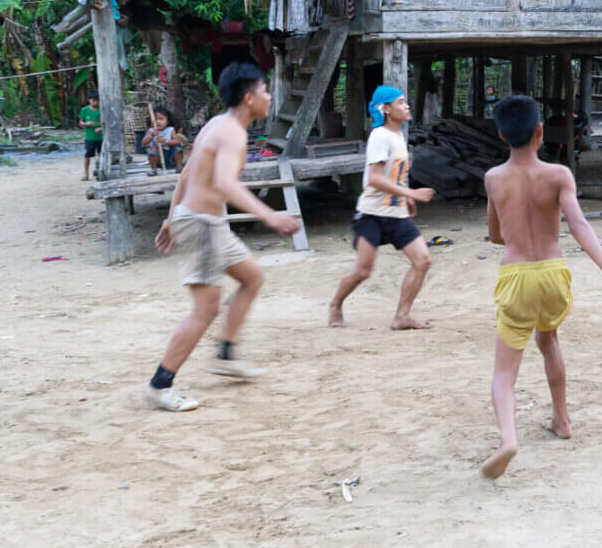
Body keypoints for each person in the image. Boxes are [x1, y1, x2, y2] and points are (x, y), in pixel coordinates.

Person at [480, 94, 602, 479]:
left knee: (504, 373)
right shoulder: (559, 175)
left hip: (516, 274)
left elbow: (495, 234)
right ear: (539, 131)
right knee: (548, 340)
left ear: (501, 135)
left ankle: (508, 440)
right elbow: (579, 225)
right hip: (553, 274)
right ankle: (562, 419)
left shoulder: (493, 178)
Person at [147, 62, 301, 411]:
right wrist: (270, 215)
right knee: (206, 309)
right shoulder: (233, 131)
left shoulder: (218, 124)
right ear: (248, 98)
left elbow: (188, 173)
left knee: (251, 277)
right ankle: (160, 384)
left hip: (207, 222)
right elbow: (225, 183)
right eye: (264, 90)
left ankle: (226, 355)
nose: (269, 96)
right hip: (202, 224)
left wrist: (172, 218)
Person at [327, 86, 436, 330]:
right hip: (372, 215)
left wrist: (404, 198)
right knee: (363, 271)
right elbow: (375, 178)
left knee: (423, 260)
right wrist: (410, 193)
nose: (406, 105)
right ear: (386, 109)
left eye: (405, 101)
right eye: (400, 102)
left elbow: (393, 174)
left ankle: (402, 316)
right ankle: (335, 304)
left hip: (396, 214)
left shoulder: (398, 135)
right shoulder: (379, 135)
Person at [143, 108, 184, 174]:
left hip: (169, 156)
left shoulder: (170, 130)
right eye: (155, 119)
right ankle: (154, 169)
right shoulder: (150, 131)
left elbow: (177, 141)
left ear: (167, 121)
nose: (158, 122)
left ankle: (179, 166)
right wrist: (151, 136)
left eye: (161, 119)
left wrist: (165, 141)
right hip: (157, 159)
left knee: (177, 147)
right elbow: (143, 143)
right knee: (151, 148)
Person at [80, 90, 103, 181]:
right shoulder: (84, 110)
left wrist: (101, 128)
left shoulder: (102, 110)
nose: (96, 102)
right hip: (89, 137)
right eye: (94, 100)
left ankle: (102, 173)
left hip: (101, 137)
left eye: (98, 100)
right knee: (87, 155)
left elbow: (108, 123)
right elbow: (81, 122)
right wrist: (86, 124)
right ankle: (86, 174)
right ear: (89, 100)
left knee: (102, 155)